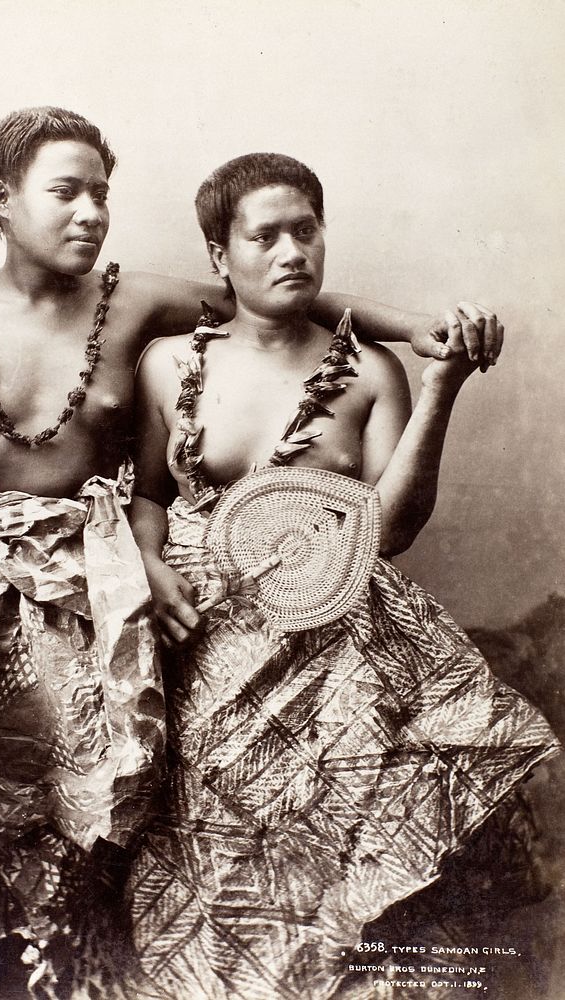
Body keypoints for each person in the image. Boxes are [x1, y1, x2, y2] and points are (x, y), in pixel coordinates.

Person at [0, 107, 501, 1000]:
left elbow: (278, 292)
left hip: (91, 583)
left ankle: (81, 973)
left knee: (90, 823)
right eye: (66, 192)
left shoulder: (133, 301)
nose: (92, 214)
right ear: (2, 200)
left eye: (101, 194)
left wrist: (411, 328)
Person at [126, 153, 559, 999]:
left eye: (305, 230)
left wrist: (440, 390)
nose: (291, 251)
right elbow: (144, 495)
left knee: (326, 882)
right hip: (199, 653)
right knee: (211, 872)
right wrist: (147, 563)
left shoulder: (367, 373)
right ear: (220, 256)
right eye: (264, 236)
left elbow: (390, 530)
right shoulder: (165, 363)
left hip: (333, 656)